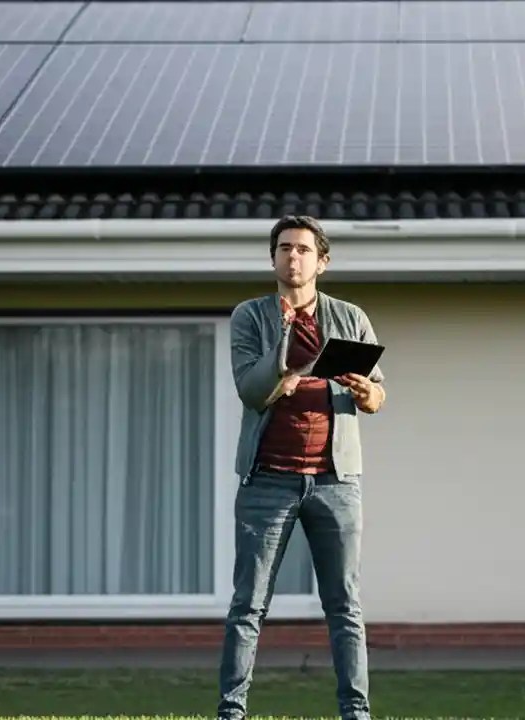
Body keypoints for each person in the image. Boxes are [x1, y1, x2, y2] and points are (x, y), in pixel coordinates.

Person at [217, 215, 385, 720]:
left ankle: (356, 712)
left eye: (304, 249)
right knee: (248, 605)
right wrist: (285, 359)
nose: (294, 257)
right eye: (285, 248)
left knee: (345, 606)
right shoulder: (251, 317)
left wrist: (366, 392)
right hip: (267, 481)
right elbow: (250, 391)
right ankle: (231, 711)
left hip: (336, 483)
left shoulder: (350, 317)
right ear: (273, 258)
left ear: (322, 262)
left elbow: (378, 395)